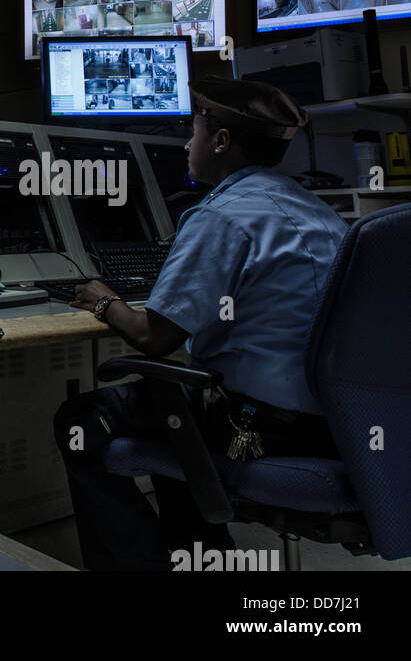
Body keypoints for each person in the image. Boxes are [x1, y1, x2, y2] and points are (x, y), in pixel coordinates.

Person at [53, 78, 348, 571]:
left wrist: (105, 301)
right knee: (172, 415)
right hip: (334, 425)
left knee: (81, 420)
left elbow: (155, 338)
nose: (189, 145)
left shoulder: (222, 216)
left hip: (258, 426)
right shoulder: (320, 214)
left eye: (194, 132)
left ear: (221, 142)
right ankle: (201, 560)